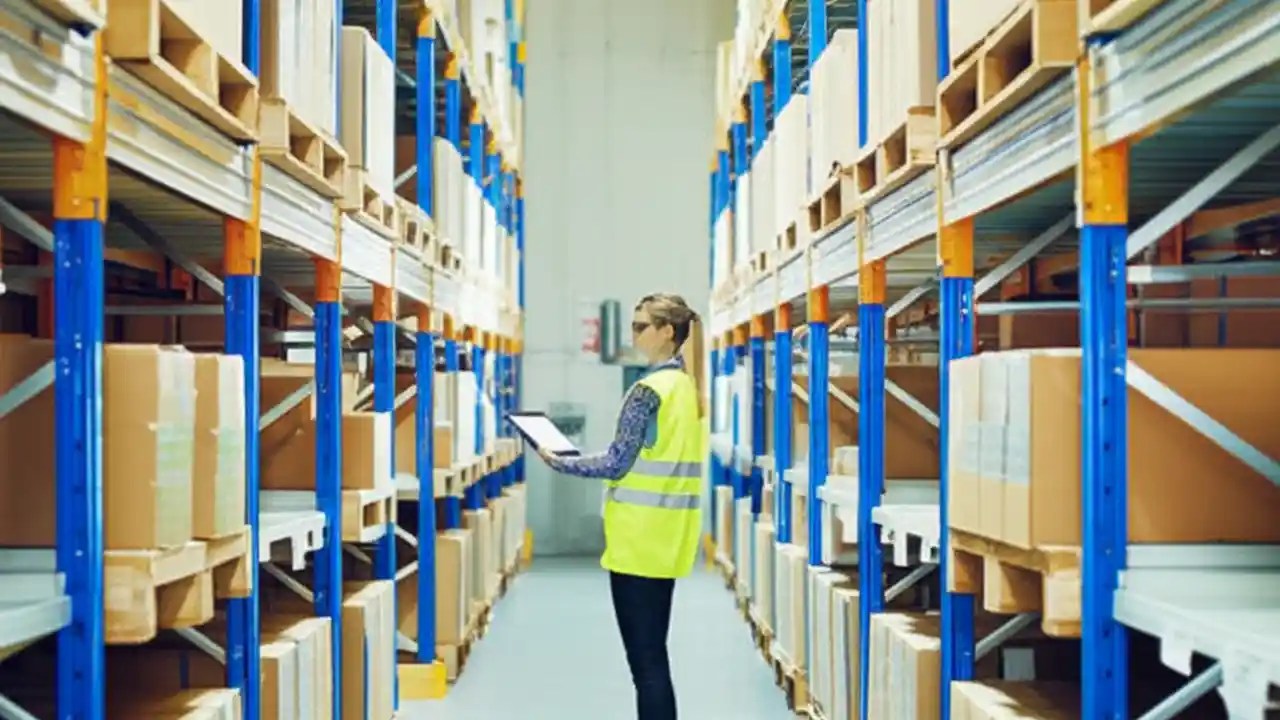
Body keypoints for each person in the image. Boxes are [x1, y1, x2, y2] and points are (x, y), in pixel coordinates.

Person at [536, 292, 706, 720]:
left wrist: (560, 461)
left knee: (646, 667)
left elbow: (616, 462)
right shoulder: (688, 387)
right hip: (669, 540)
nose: (634, 335)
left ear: (667, 332)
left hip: (638, 541)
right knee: (654, 660)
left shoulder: (648, 391)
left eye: (641, 326)